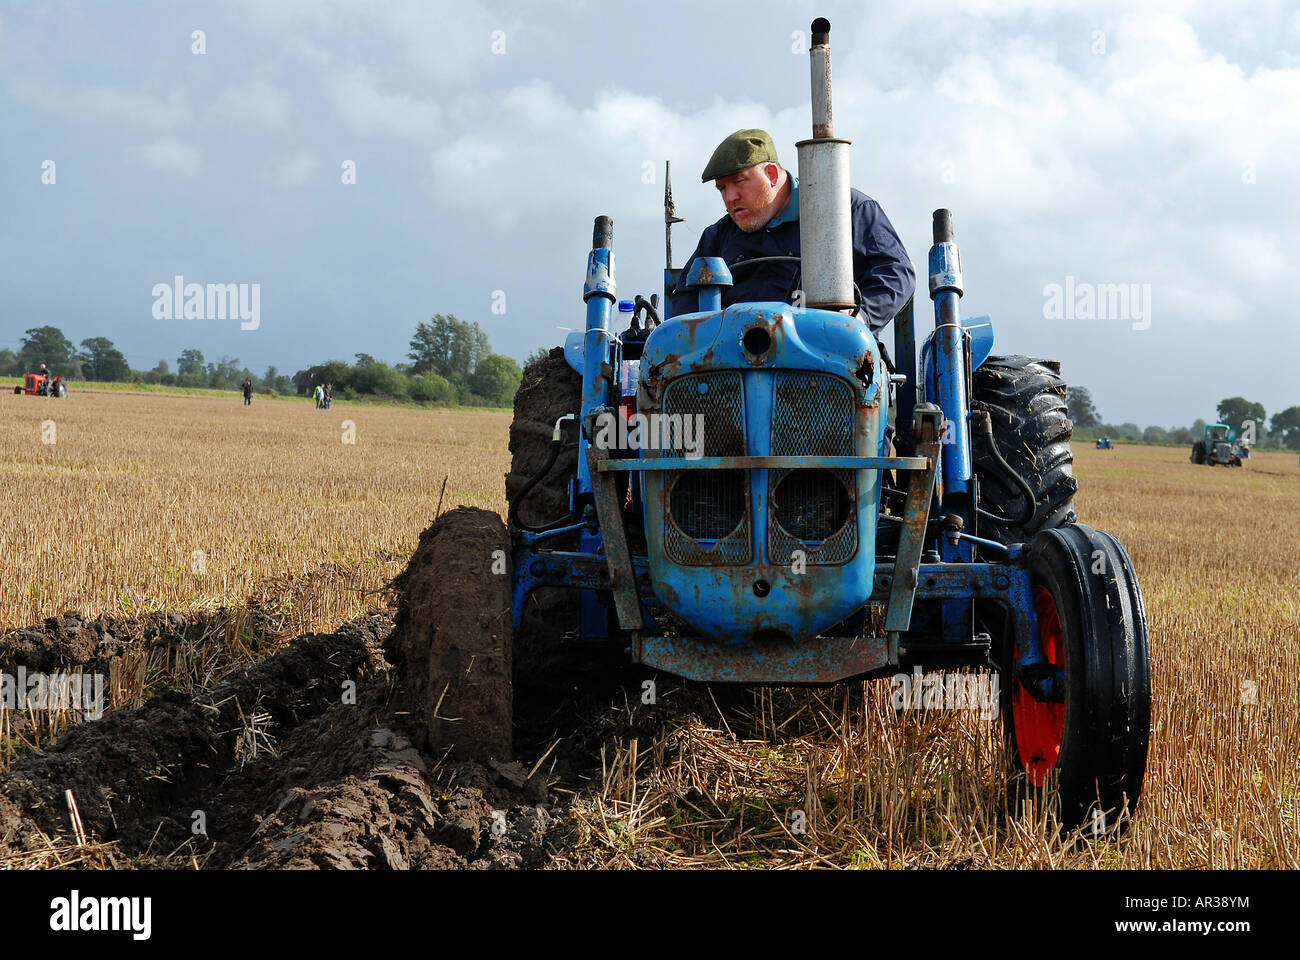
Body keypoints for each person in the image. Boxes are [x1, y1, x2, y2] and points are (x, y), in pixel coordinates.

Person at [670, 128, 915, 334]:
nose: (730, 197)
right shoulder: (718, 237)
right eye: (722, 188)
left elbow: (895, 272)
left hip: (825, 359)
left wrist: (860, 319)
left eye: (739, 181)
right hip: (732, 365)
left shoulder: (845, 211)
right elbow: (685, 302)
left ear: (772, 174)